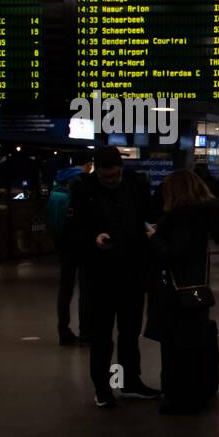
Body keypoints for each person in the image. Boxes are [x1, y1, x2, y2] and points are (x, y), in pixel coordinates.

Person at [67, 147, 160, 408]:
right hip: (100, 273)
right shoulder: (82, 189)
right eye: (106, 177)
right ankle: (102, 387)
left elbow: (146, 216)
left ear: (121, 169)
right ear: (97, 171)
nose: (111, 181)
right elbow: (74, 231)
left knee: (130, 331)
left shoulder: (135, 185)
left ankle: (130, 381)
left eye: (115, 175)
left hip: (131, 269)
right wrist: (92, 238)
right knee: (101, 335)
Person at [147, 170, 219, 415]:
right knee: (195, 344)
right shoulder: (204, 215)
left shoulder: (180, 218)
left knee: (175, 347)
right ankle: (197, 391)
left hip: (175, 292)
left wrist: (154, 238)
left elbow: (172, 254)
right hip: (195, 290)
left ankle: (178, 396)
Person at [48, 150, 93, 346]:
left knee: (65, 288)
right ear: (89, 164)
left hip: (64, 243)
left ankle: (63, 330)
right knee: (86, 289)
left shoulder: (58, 182)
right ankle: (86, 332)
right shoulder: (84, 182)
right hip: (83, 243)